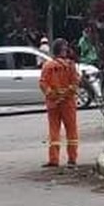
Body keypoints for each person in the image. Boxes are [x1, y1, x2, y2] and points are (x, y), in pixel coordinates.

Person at [38, 38, 80, 168]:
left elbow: (43, 83)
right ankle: (72, 159)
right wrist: (65, 95)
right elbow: (75, 83)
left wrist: (53, 96)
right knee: (71, 131)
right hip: (68, 103)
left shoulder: (48, 66)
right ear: (63, 50)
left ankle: (54, 159)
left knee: (54, 131)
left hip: (53, 104)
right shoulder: (70, 66)